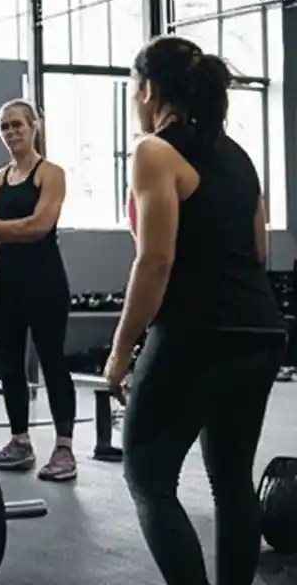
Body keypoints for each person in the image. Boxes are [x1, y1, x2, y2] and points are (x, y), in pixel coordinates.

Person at [107, 35, 286, 585]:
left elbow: (155, 262)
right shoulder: (238, 156)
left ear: (150, 89)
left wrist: (119, 354)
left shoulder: (153, 150)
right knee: (231, 480)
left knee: (148, 478)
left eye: (133, 88)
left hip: (195, 332)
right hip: (259, 330)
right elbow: (260, 250)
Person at [0, 100, 76, 481]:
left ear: (34, 126)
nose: (12, 132)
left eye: (18, 124)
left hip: (45, 279)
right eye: (5, 127)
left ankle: (64, 449)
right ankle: (19, 442)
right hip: (7, 281)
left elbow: (40, 226)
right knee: (9, 363)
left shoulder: (50, 173)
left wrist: (3, 228)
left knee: (52, 360)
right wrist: (18, 226)